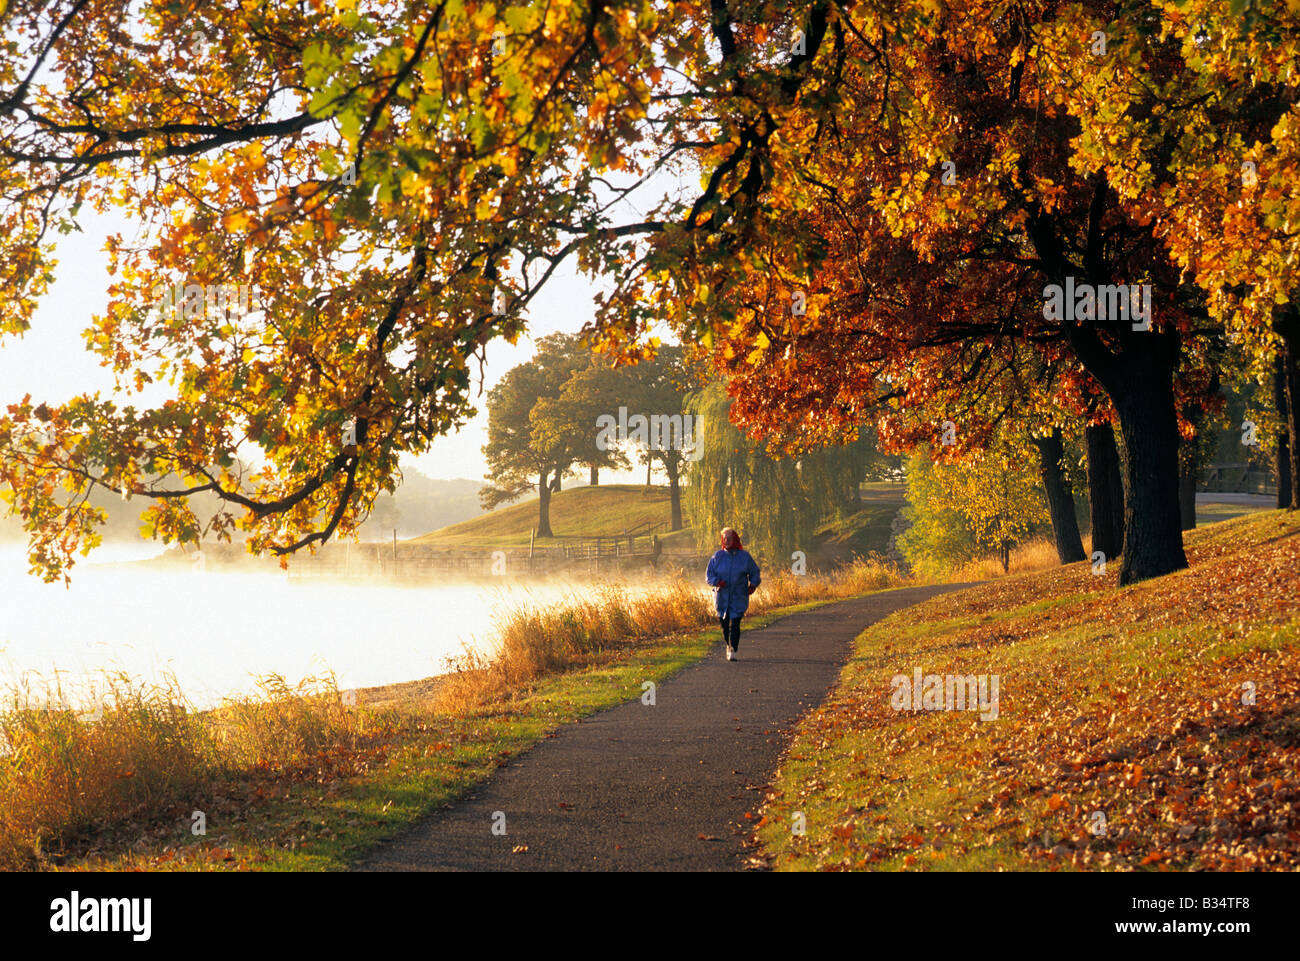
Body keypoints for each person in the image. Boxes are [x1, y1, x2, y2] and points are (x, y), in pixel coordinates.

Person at [705, 527, 760, 661]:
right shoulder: (717, 556)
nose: (727, 541)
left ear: (735, 539)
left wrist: (753, 584)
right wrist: (716, 582)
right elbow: (709, 574)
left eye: (729, 538)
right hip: (722, 596)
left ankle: (733, 649)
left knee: (735, 623)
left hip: (738, 595)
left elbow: (755, 572)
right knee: (724, 625)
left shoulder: (744, 557)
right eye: (725, 539)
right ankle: (728, 644)